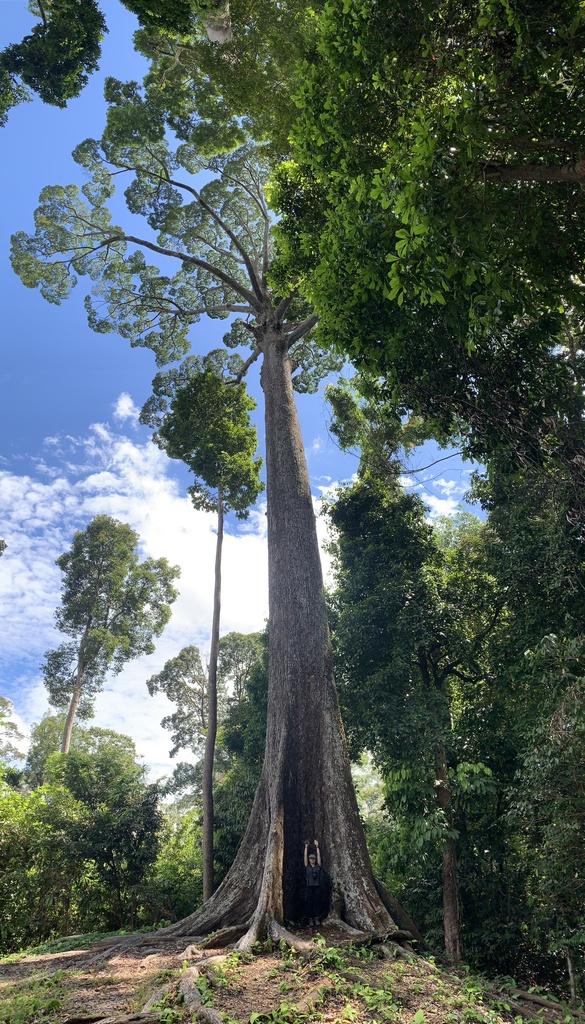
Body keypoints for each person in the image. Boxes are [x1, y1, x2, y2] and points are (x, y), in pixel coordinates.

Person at [304, 838, 324, 927]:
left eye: (313, 858)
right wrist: (306, 847)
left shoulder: (318, 867)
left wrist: (317, 847)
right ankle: (310, 919)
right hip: (309, 887)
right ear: (309, 859)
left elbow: (319, 857)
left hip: (317, 887)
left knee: (317, 902)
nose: (312, 860)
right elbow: (304, 857)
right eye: (311, 858)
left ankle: (316, 918)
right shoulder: (307, 867)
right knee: (309, 903)